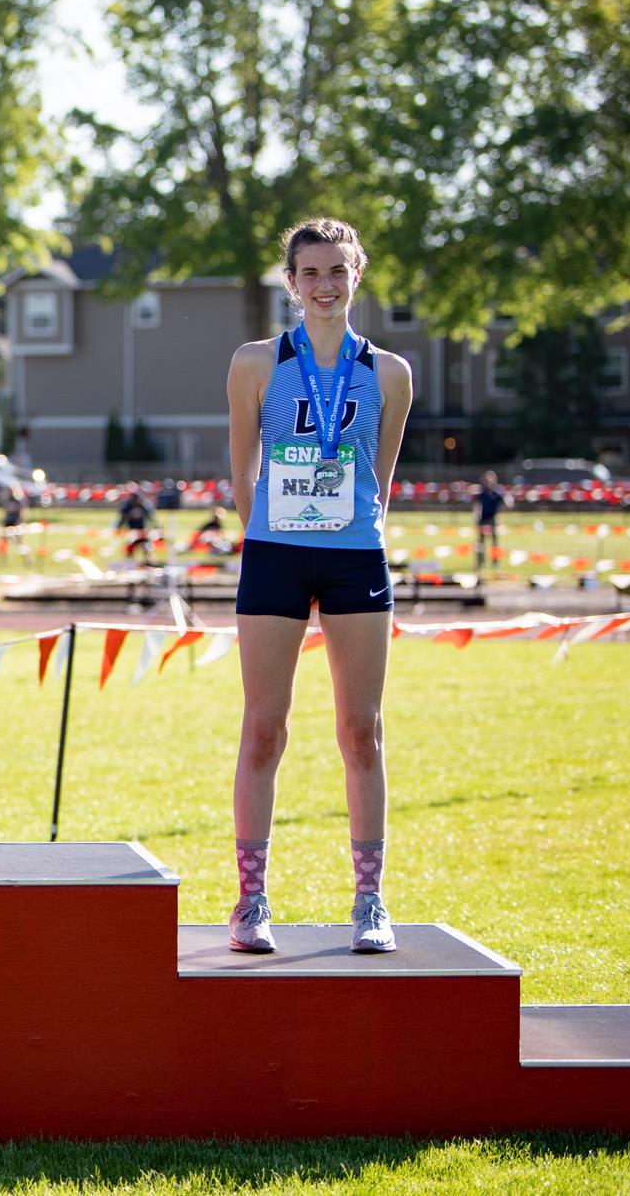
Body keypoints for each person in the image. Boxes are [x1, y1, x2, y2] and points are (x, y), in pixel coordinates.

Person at [225, 216, 413, 956]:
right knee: (264, 727)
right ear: (292, 282)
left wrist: (354, 529)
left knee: (360, 731)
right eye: (310, 273)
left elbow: (380, 474)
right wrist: (266, 529)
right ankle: (250, 899)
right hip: (274, 554)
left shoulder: (389, 372)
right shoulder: (254, 363)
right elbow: (242, 462)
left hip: (354, 559)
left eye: (337, 270)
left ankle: (369, 900)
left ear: (356, 275)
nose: (324, 285)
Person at [473, 470, 509, 570]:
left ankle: (495, 563)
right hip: (482, 520)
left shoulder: (497, 492)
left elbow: (507, 503)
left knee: (494, 543)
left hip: (492, 520)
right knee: (480, 543)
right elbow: (477, 506)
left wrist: (499, 511)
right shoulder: (481, 492)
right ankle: (480, 562)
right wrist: (476, 519)